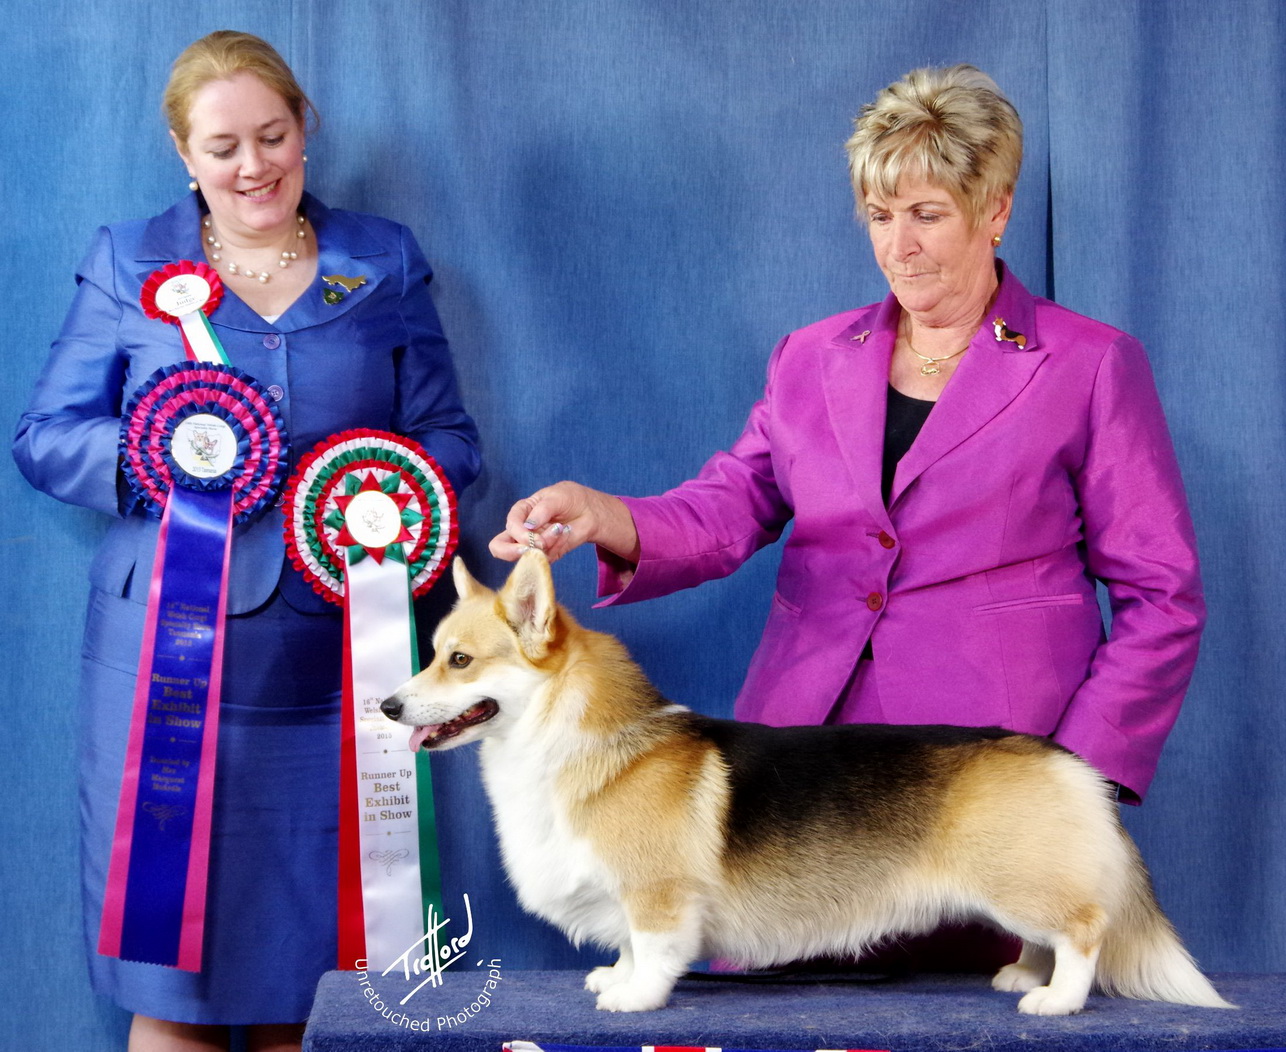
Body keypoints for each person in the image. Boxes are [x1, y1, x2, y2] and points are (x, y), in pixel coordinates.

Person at [490, 64, 1203, 811]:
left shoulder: (1090, 365)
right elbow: (731, 506)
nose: (900, 246)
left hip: (993, 768)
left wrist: (1081, 773)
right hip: (803, 744)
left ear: (995, 210)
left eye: (927, 214)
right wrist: (606, 517)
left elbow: (1162, 593)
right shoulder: (809, 357)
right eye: (880, 214)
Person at [13, 31, 479, 1052]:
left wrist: (393, 504)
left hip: (336, 671)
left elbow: (448, 436)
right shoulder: (128, 260)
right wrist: (166, 463)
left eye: (272, 135)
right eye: (223, 146)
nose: (253, 165)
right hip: (165, 673)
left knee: (308, 996)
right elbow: (44, 438)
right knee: (170, 992)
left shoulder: (381, 258)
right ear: (183, 152)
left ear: (306, 128)